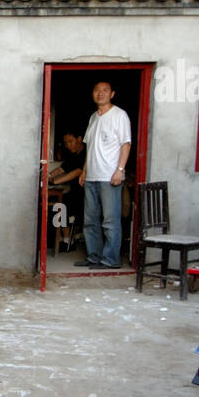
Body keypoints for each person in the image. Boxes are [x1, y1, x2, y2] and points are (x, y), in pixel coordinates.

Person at [76, 81, 131, 270]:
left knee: (110, 220)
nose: (100, 93)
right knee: (90, 221)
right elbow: (89, 148)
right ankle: (94, 257)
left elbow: (126, 144)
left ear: (112, 94)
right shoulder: (93, 117)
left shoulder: (119, 115)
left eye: (105, 90)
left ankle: (111, 259)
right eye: (97, 90)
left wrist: (120, 170)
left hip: (110, 177)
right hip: (91, 177)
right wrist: (84, 171)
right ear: (93, 93)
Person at [49, 131, 85, 252]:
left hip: (86, 191)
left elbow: (77, 172)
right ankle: (63, 238)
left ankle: (67, 239)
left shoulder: (86, 153)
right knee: (59, 204)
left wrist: (55, 182)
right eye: (66, 143)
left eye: (71, 141)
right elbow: (62, 169)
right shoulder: (72, 155)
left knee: (62, 205)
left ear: (79, 139)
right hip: (75, 190)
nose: (68, 145)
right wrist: (48, 176)